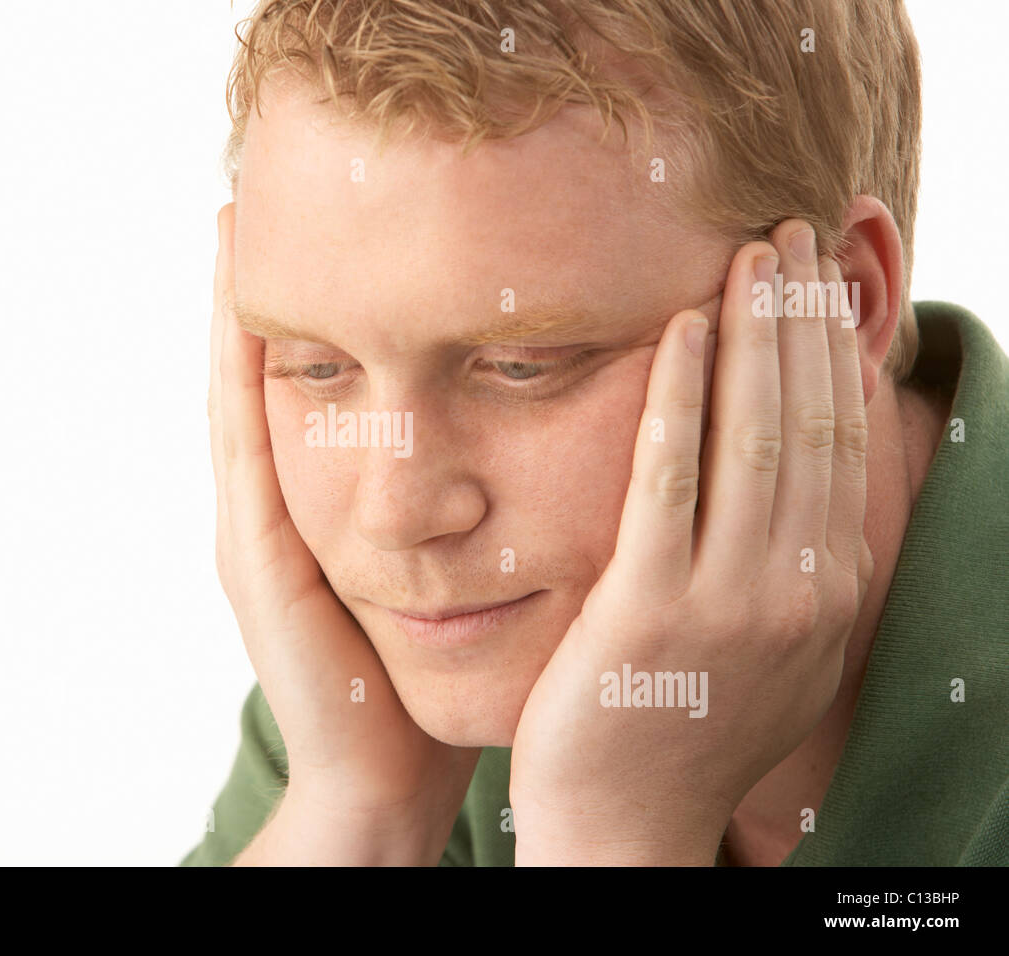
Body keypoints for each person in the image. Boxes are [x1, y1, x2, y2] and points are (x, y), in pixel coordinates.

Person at [183, 0, 1009, 865]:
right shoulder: (413, 666)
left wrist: (613, 833)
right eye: (319, 368)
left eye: (522, 365)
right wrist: (358, 811)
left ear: (836, 305)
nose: (395, 513)